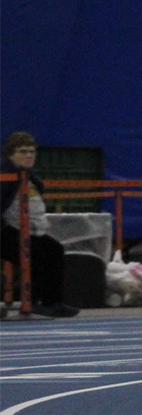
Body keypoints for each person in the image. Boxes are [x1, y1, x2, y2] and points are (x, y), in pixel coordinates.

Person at [1, 133, 78, 317]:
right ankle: (38, 301)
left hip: (29, 231)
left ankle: (49, 302)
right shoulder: (6, 176)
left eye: (32, 152)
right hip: (8, 231)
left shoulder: (27, 176)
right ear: (10, 154)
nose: (29, 155)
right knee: (41, 253)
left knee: (53, 249)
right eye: (23, 152)